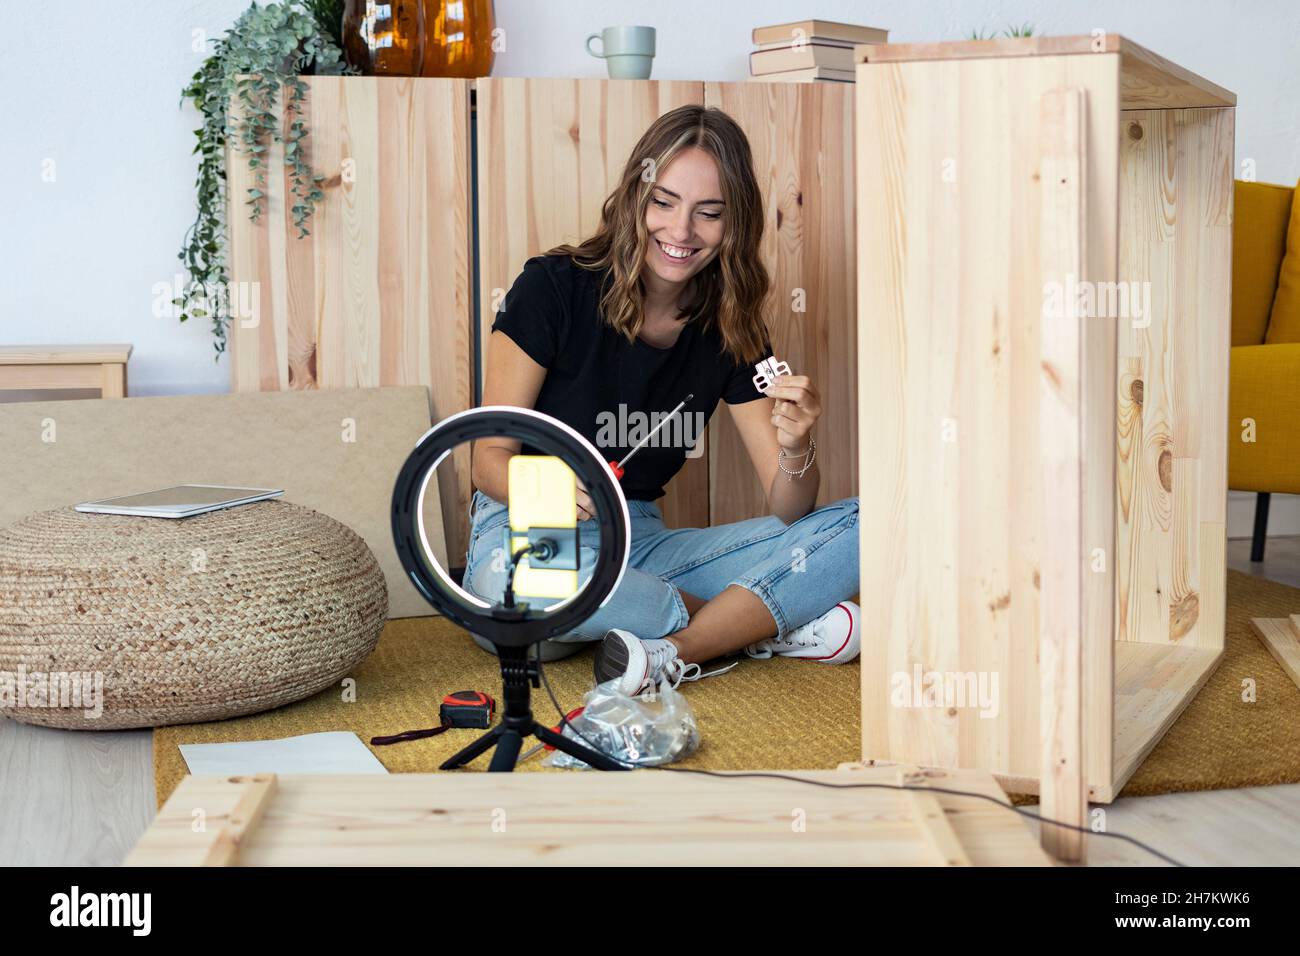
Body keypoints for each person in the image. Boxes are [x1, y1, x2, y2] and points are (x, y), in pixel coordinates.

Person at [465, 104, 860, 696]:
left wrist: (797, 444)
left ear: (735, 224)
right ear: (635, 199)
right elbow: (485, 458)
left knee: (866, 525)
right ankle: (755, 627)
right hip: (535, 528)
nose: (681, 232)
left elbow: (789, 512)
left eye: (709, 214)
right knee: (528, 594)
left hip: (642, 542)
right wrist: (549, 489)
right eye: (665, 202)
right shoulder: (552, 288)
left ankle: (675, 649)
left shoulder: (733, 327)